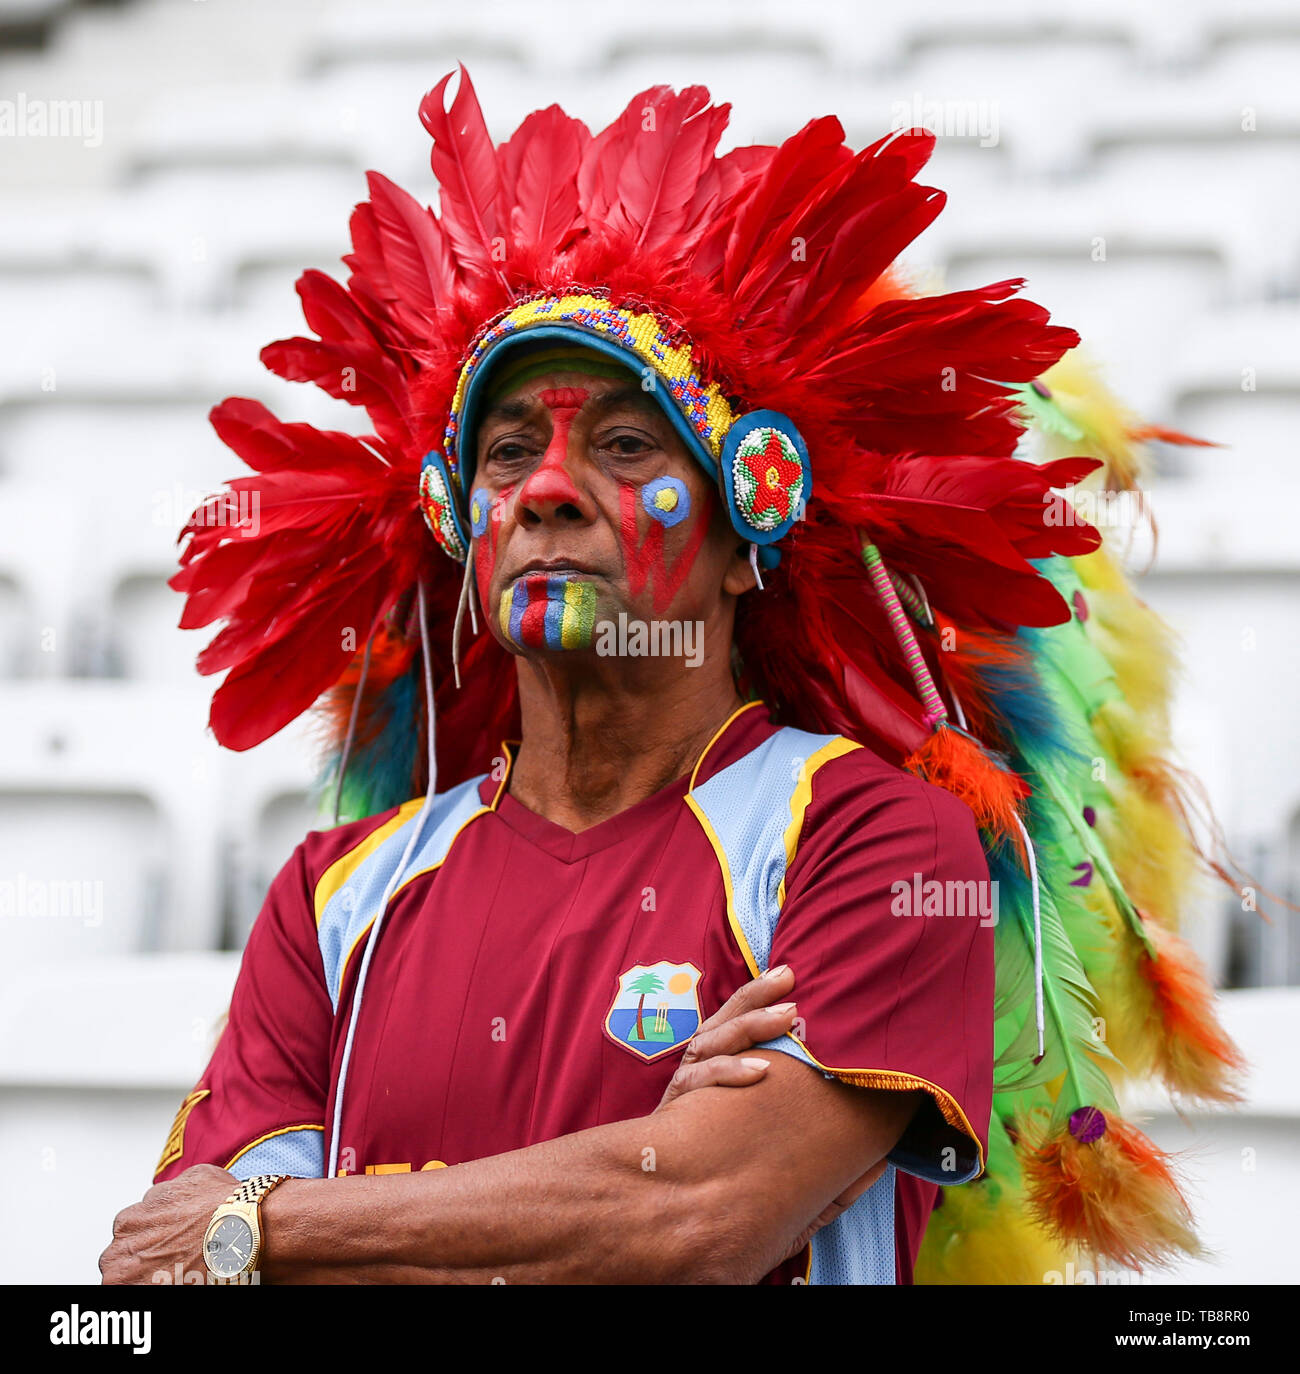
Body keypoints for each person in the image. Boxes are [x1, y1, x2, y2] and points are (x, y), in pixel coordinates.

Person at [101, 69, 1241, 1286]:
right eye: (504, 452)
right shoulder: (332, 896)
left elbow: (697, 1224)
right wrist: (638, 1165)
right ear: (462, 527)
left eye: (627, 443)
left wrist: (273, 1226)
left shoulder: (879, 842)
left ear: (748, 526)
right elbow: (161, 1274)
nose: (544, 488)